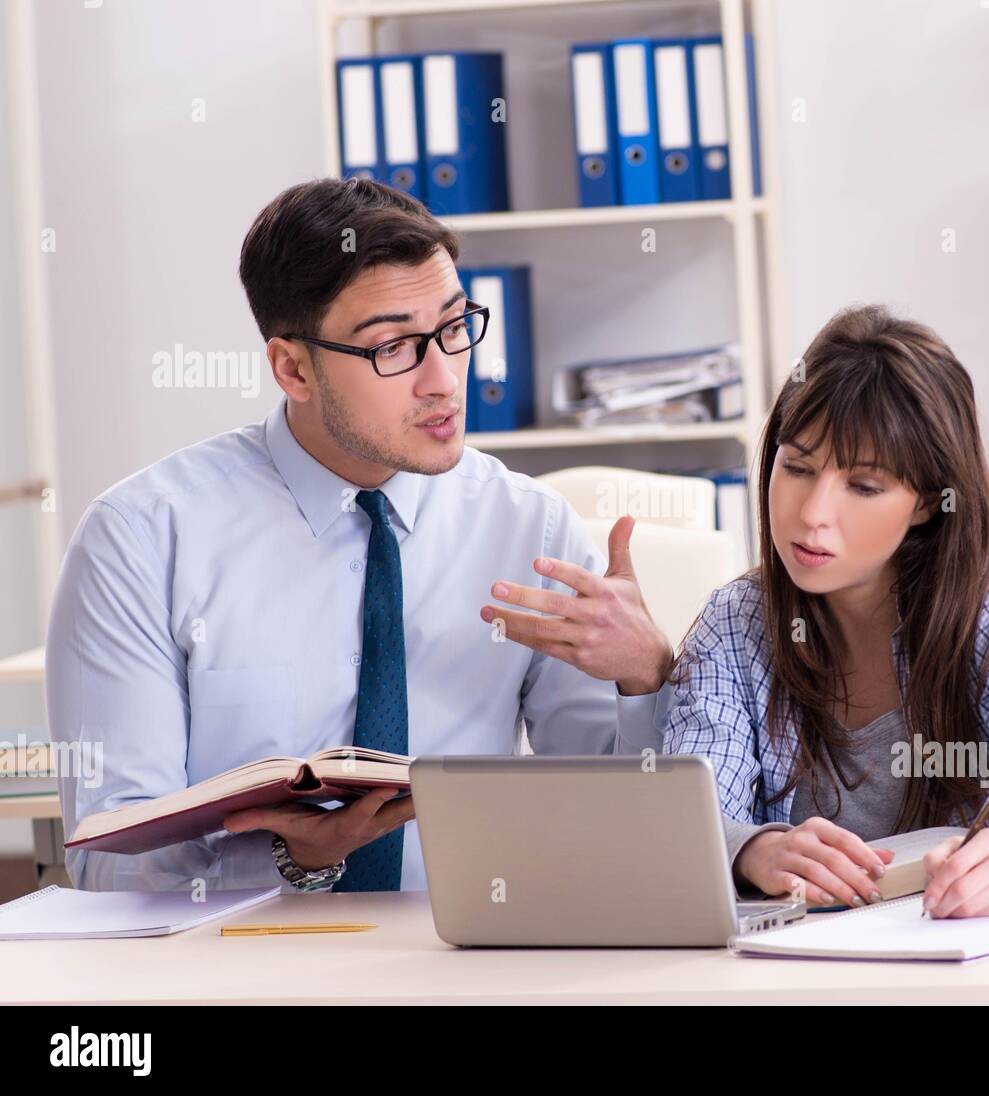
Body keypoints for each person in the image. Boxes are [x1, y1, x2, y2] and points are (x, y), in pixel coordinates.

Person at [46, 178, 672, 893]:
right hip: (240, 976)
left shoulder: (528, 525)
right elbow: (107, 865)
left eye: (455, 326)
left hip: (468, 957)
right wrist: (299, 862)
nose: (445, 379)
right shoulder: (140, 541)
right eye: (396, 347)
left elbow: (622, 822)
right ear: (293, 368)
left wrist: (644, 676)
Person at [661, 304, 989, 918]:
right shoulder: (736, 623)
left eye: (864, 486)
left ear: (929, 501)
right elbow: (690, 815)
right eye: (797, 467)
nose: (813, 512)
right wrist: (753, 850)